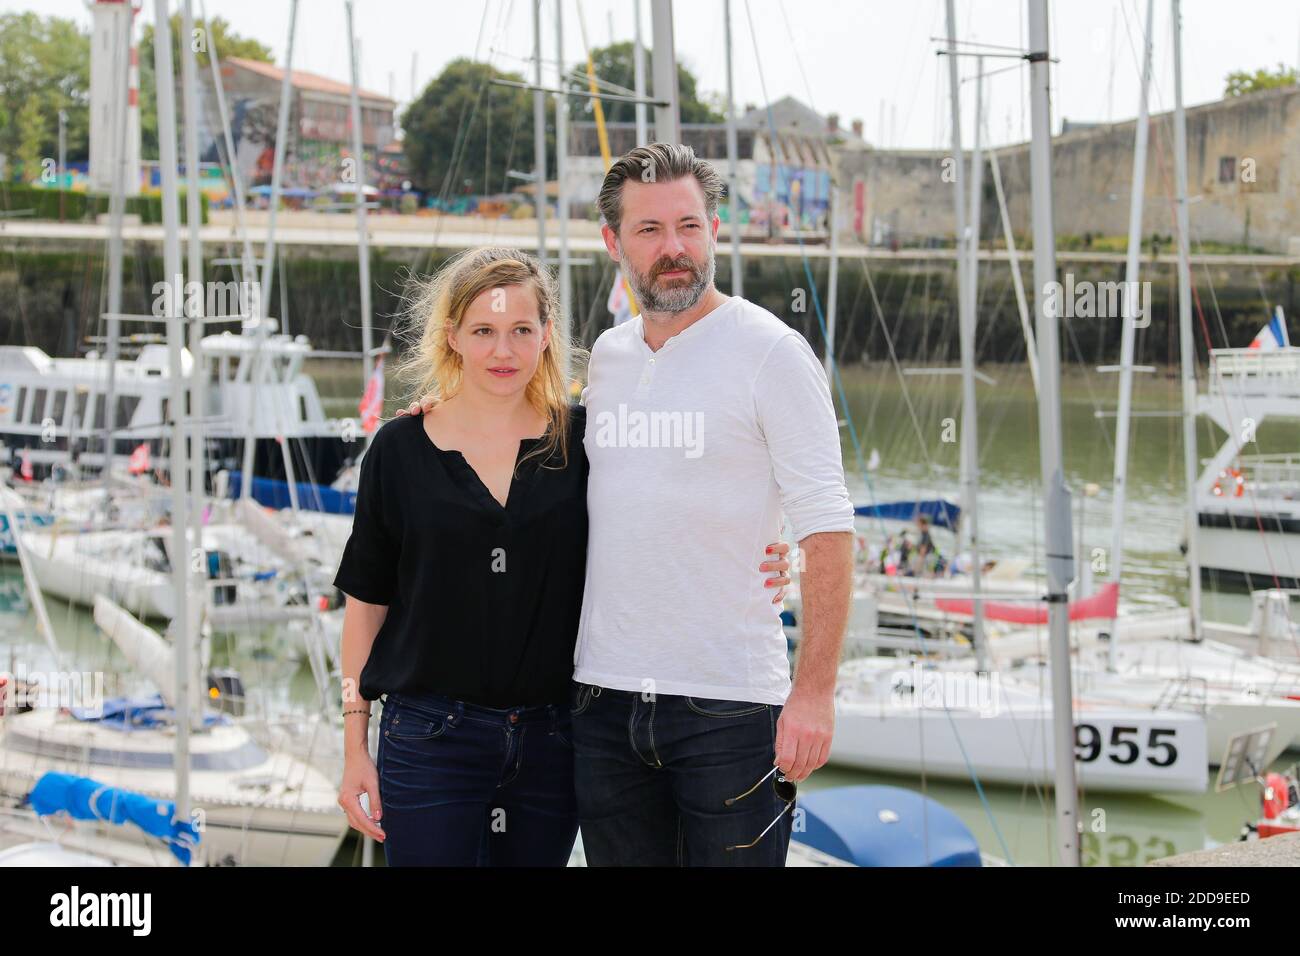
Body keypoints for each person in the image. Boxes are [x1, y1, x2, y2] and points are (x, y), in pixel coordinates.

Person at [333, 246, 791, 866]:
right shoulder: (398, 448)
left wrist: (764, 554)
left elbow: (670, 506)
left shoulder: (585, 437)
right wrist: (355, 744)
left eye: (522, 331)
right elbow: (365, 604)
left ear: (546, 336)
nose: (504, 351)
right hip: (429, 738)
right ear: (452, 337)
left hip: (553, 739)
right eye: (484, 332)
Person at [572, 142, 854, 866]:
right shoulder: (607, 358)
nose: (675, 249)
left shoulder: (772, 353)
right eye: (649, 230)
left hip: (729, 706)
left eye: (689, 226)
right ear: (613, 242)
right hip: (601, 701)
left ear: (715, 230)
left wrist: (814, 692)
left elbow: (826, 527)